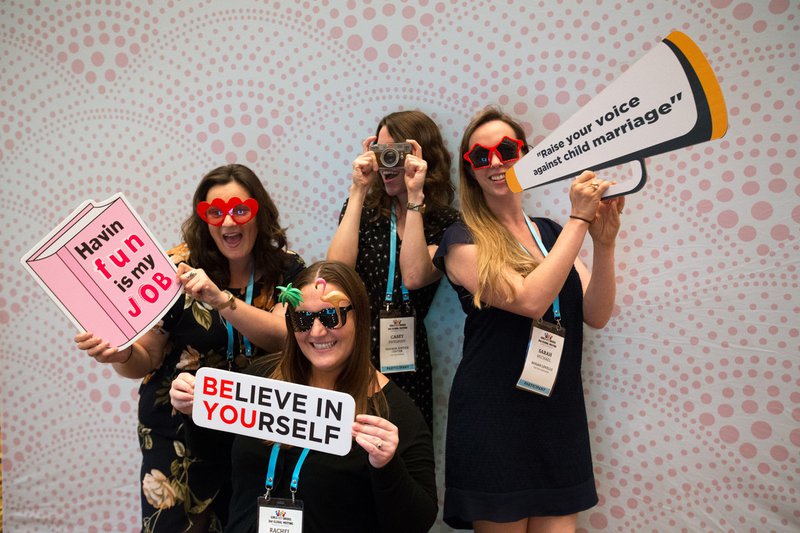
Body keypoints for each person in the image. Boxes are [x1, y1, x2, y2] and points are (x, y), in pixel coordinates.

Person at [74, 164, 305, 532]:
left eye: (240, 210)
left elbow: (282, 336)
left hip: (256, 433)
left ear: (259, 212)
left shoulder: (287, 269)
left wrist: (220, 299)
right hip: (178, 433)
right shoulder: (174, 266)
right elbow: (145, 358)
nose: (228, 223)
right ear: (204, 219)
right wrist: (121, 355)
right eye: (215, 212)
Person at [433, 108, 624, 532]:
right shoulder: (461, 239)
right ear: (470, 170)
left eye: (506, 150)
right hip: (494, 419)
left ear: (527, 155)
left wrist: (604, 244)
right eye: (480, 157)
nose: (495, 162)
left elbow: (596, 314)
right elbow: (530, 300)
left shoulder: (552, 233)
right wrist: (580, 219)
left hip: (557, 416)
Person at [169, 261, 438, 532]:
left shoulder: (393, 411)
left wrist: (387, 466)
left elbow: (417, 522)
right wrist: (193, 412)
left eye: (332, 316)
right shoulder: (261, 377)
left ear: (360, 317)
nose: (318, 332)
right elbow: (214, 456)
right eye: (303, 320)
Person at [326, 110, 459, 430]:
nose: (386, 162)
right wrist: (358, 188)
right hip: (353, 350)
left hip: (408, 356)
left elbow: (415, 277)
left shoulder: (445, 223)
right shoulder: (364, 211)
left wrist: (415, 196)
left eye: (395, 153)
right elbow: (336, 272)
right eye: (379, 153)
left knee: (406, 451)